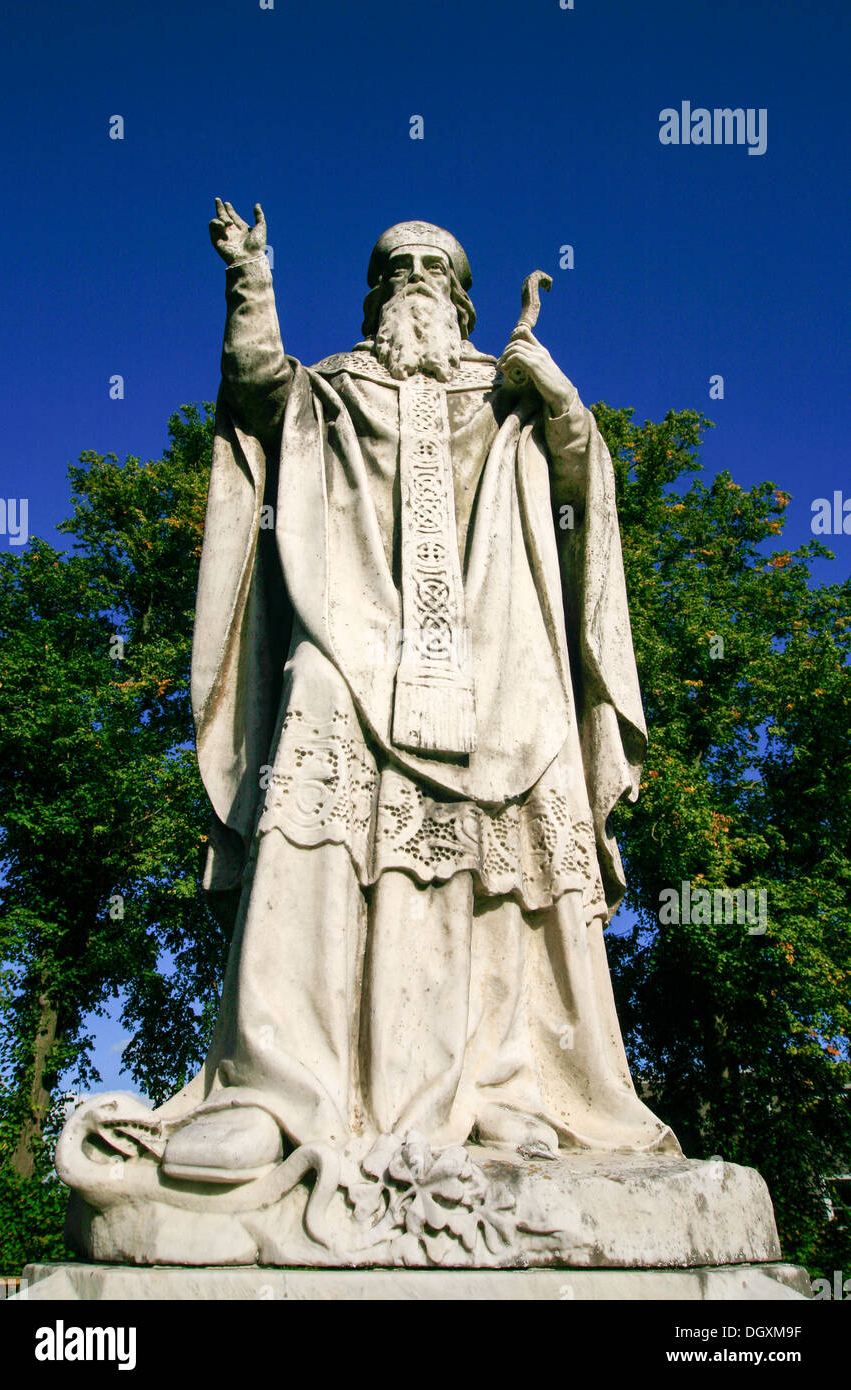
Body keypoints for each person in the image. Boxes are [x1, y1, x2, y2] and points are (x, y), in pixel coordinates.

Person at [158, 203, 677, 1183]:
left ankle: (510, 1089)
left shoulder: (504, 390)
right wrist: (250, 280)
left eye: (433, 267)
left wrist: (556, 395)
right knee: (308, 714)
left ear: (462, 297)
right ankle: (275, 1089)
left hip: (493, 647)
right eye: (397, 267)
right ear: (374, 296)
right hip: (354, 636)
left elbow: (579, 494)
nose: (414, 279)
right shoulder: (336, 388)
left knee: (526, 801)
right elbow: (258, 392)